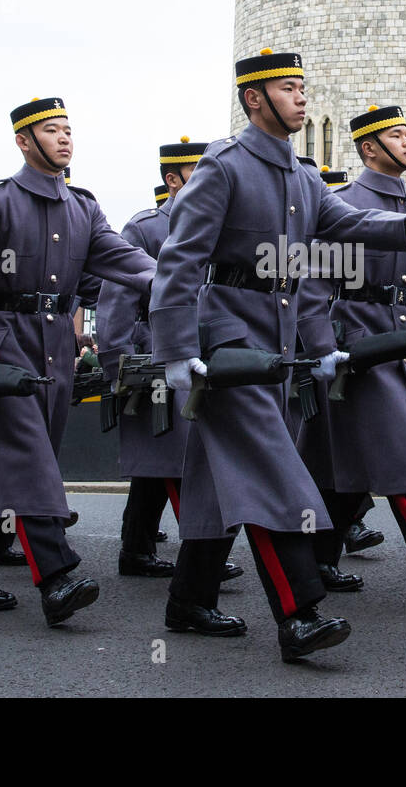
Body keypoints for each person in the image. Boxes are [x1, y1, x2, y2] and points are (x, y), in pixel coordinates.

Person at [148, 48, 406, 662]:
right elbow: (179, 259)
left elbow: (345, 223)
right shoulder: (224, 167)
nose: (302, 96)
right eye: (288, 87)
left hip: (272, 343)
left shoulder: (304, 176)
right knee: (274, 469)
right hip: (226, 342)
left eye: (303, 86)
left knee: (211, 475)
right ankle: (299, 611)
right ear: (254, 99)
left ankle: (188, 599)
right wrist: (174, 349)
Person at [0, 98, 157, 626]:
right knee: (31, 461)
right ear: (23, 141)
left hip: (56, 346)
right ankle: (56, 577)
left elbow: (122, 258)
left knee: (13, 461)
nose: (63, 139)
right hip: (5, 344)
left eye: (68, 130)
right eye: (51, 130)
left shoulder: (82, 206)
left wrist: (171, 277)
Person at [295, 104, 406, 603]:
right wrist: (324, 348)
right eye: (397, 135)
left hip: (400, 342)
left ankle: (317, 559)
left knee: (345, 468)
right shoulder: (342, 202)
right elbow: (312, 281)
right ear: (369, 148)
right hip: (358, 346)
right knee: (403, 456)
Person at [98, 141, 240, 586]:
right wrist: (118, 363)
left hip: (204, 346)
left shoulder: (220, 221)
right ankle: (194, 555)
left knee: (162, 460)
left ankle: (137, 549)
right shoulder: (144, 228)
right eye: (194, 173)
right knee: (170, 454)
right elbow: (116, 299)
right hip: (154, 350)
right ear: (173, 180)